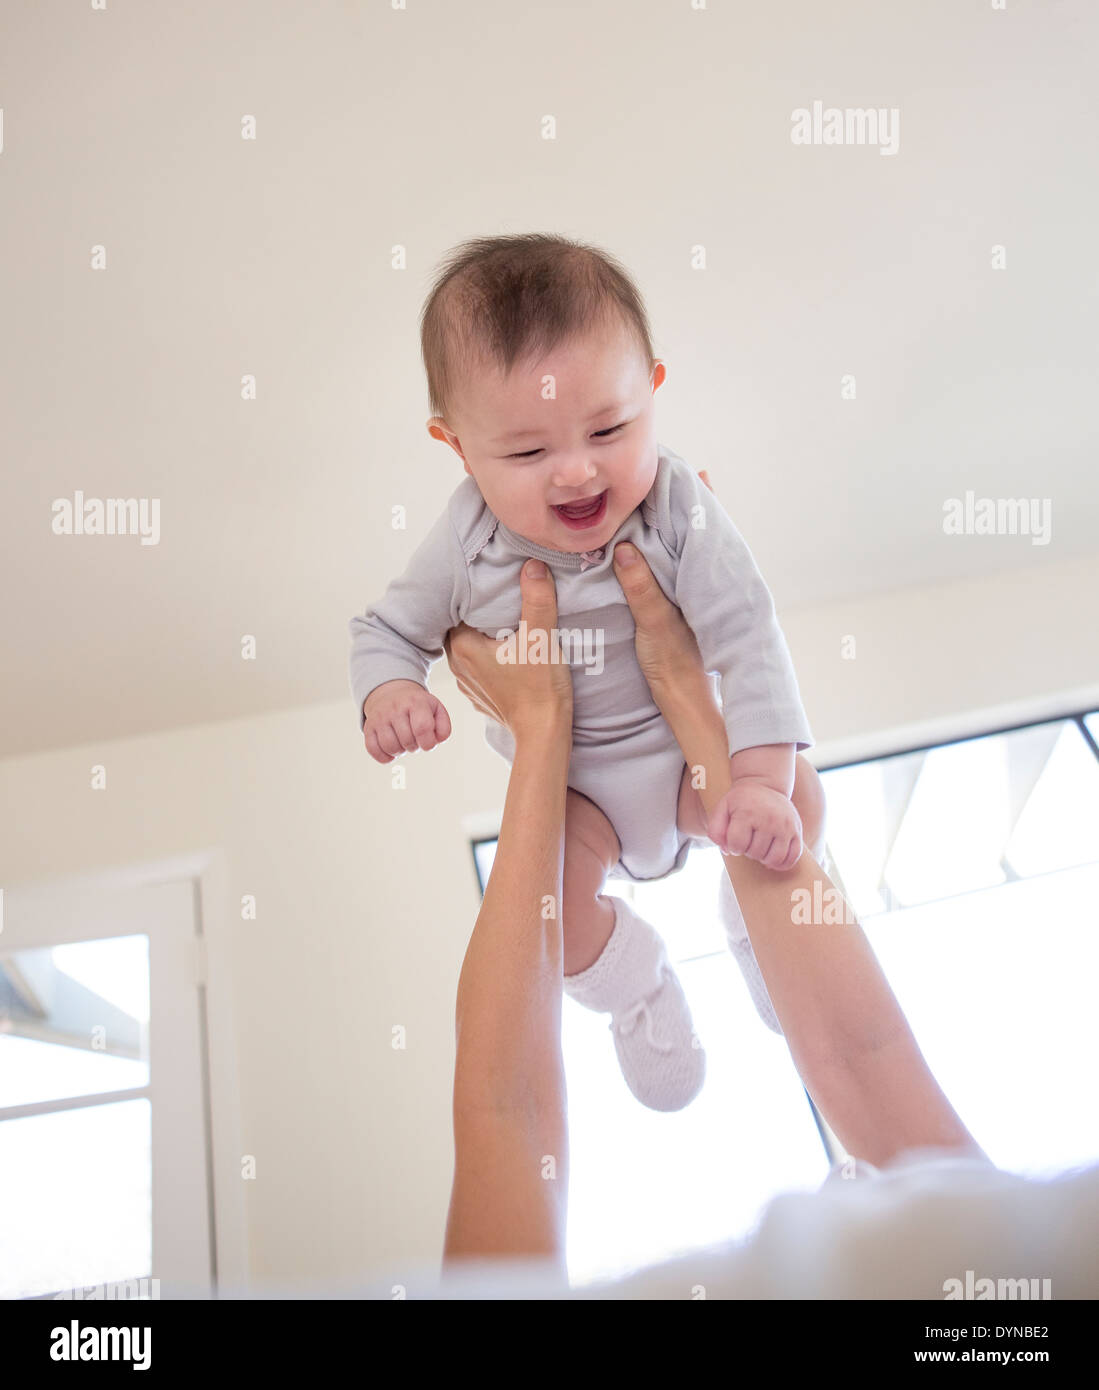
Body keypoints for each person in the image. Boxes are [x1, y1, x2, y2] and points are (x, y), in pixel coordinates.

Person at [349, 232, 827, 1112]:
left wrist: (755, 779)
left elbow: (744, 628)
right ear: (457, 448)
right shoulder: (466, 543)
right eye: (525, 454)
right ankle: (638, 991)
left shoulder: (679, 505)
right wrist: (391, 693)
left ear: (652, 390)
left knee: (800, 798)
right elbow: (384, 631)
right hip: (579, 798)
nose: (575, 470)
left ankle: (757, 933)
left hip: (695, 763)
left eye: (609, 429)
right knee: (544, 913)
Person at [440, 543, 987, 1268]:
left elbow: (503, 1113)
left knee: (559, 910)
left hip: (604, 789)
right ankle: (750, 925)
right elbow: (867, 1057)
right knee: (791, 805)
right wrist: (683, 665)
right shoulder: (983, 1271)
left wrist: (537, 720)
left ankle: (632, 985)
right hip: (663, 776)